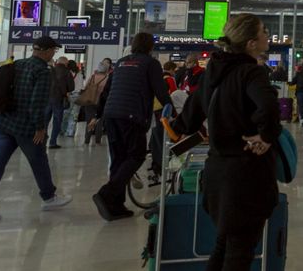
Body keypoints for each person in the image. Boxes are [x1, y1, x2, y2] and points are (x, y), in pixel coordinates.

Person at [175, 14, 281, 269]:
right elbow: (269, 107)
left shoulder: (213, 71)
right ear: (251, 44)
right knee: (240, 252)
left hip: (217, 172)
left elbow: (189, 118)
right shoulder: (251, 72)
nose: (268, 36)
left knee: (224, 244)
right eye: (263, 32)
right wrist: (266, 136)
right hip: (246, 174)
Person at [0, 36, 73, 221]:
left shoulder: (17, 64)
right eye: (53, 50)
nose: (54, 53)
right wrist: (40, 127)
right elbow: (37, 102)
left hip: (5, 123)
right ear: (44, 50)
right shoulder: (43, 71)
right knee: (39, 160)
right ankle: (49, 198)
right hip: (26, 127)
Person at [92, 31, 172, 221]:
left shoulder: (120, 63)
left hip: (111, 115)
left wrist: (98, 115)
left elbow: (106, 92)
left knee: (118, 158)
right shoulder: (151, 63)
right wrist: (174, 113)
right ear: (150, 47)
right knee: (136, 156)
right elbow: (160, 90)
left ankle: (115, 205)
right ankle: (107, 193)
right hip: (132, 115)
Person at [76, 58, 112, 146]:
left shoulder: (92, 77)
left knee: (89, 120)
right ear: (107, 69)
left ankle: (87, 140)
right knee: (99, 121)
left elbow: (85, 87)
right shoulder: (107, 79)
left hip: (90, 101)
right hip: (101, 102)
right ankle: (98, 140)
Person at [46, 56, 75, 148]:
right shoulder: (67, 72)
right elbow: (71, 88)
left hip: (47, 98)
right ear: (66, 63)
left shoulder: (49, 71)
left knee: (44, 121)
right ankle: (52, 142)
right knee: (57, 121)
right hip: (59, 99)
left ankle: (41, 141)